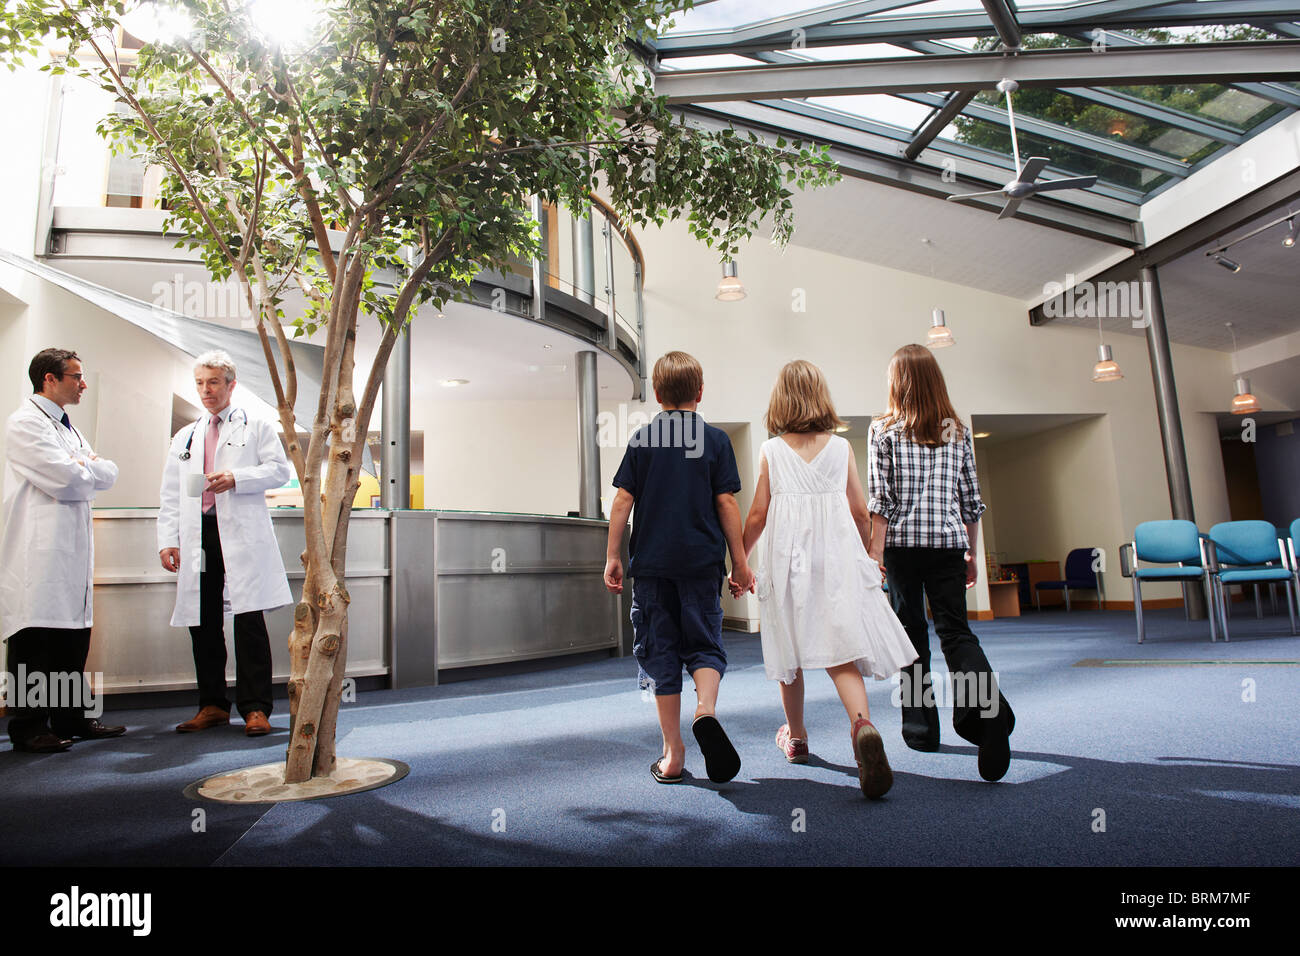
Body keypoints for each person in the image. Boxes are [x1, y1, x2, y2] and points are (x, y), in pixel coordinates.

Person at [738, 360, 916, 799]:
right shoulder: (840, 450)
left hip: (787, 562)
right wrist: (867, 554)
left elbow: (758, 514)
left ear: (781, 399)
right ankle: (862, 724)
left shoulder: (772, 450)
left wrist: (739, 559)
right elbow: (860, 511)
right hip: (835, 561)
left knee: (789, 652)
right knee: (842, 652)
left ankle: (795, 736)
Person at [603, 351, 753, 785]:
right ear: (700, 393)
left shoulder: (642, 439)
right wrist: (740, 562)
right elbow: (726, 502)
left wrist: (615, 555)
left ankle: (672, 754)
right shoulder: (717, 440)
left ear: (656, 394)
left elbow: (622, 501)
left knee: (659, 653)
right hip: (702, 565)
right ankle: (705, 710)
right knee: (704, 644)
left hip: (652, 567)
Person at [867, 344, 1015, 782]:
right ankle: (987, 719)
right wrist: (971, 553)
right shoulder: (957, 431)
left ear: (897, 382)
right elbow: (971, 501)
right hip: (948, 543)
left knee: (910, 637)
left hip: (902, 548)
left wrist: (874, 554)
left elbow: (882, 500)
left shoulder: (884, 429)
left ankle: (920, 730)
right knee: (956, 633)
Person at [158, 350, 292, 737]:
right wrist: (168, 538)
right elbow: (170, 491)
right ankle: (213, 704)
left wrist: (237, 477)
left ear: (231, 385)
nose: (206, 390)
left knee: (248, 619)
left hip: (238, 535)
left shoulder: (257, 426)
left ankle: (255, 708)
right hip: (198, 536)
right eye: (200, 383)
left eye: (213, 382)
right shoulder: (186, 435)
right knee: (203, 620)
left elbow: (279, 471)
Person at [2, 348, 124, 752]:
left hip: (71, 550)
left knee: (72, 640)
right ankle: (29, 727)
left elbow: (107, 472)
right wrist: (86, 466)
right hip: (37, 554)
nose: (83, 383)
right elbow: (68, 481)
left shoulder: (68, 428)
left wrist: (85, 464)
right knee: (35, 640)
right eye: (75, 376)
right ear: (49, 379)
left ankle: (73, 719)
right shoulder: (24, 424)